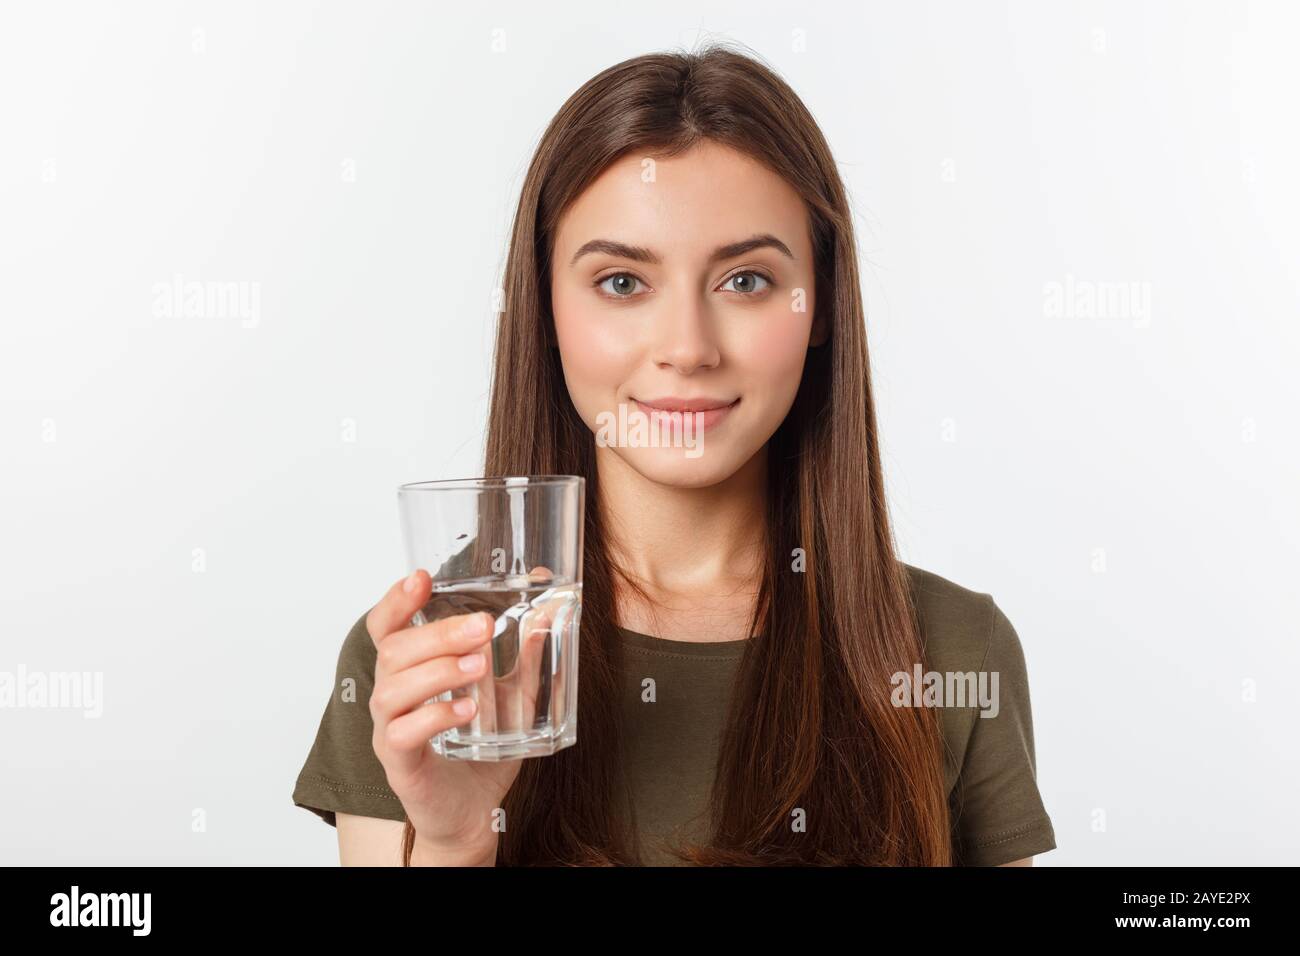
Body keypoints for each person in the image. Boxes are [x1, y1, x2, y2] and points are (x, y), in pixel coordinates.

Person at [293, 42, 1057, 867]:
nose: (687, 348)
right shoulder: (430, 664)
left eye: (746, 281)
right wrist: (452, 840)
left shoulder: (948, 651)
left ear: (822, 305)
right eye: (622, 282)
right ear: (543, 307)